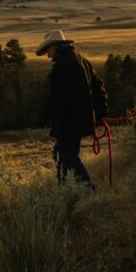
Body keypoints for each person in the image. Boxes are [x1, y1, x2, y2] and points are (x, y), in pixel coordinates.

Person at [36, 30, 107, 189]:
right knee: (64, 156)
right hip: (79, 123)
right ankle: (65, 190)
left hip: (68, 124)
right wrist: (100, 113)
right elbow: (99, 87)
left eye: (48, 50)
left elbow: (59, 99)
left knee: (69, 158)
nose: (48, 55)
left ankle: (89, 191)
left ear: (56, 46)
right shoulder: (82, 61)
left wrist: (43, 117)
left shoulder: (62, 66)